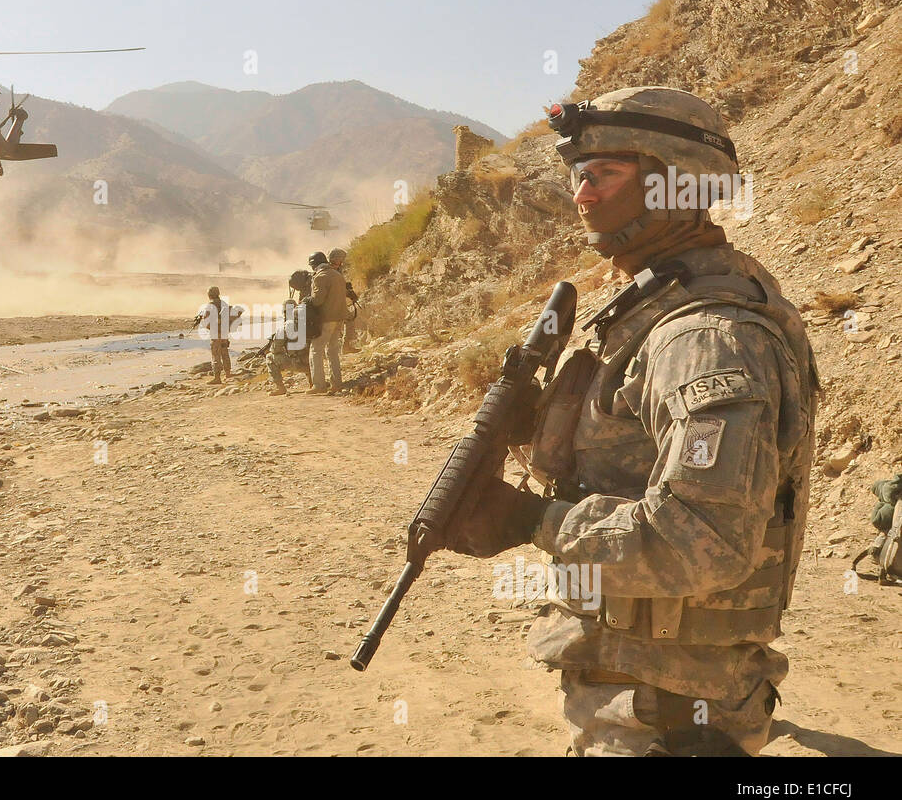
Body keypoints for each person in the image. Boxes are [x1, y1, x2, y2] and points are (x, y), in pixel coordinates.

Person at [434, 87, 817, 756]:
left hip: (667, 719)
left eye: (604, 174)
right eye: (579, 176)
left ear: (675, 183)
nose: (582, 196)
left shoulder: (706, 335)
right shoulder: (660, 308)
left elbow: (704, 539)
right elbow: (633, 459)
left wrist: (531, 522)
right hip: (639, 699)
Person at [305, 250, 348, 394]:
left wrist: (307, 300)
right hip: (340, 317)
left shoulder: (320, 277)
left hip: (327, 319)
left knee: (316, 350)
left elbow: (318, 301)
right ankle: (337, 383)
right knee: (333, 350)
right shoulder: (337, 275)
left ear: (314, 265)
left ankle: (319, 385)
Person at [263, 272, 311, 395]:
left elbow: (275, 349)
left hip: (297, 364)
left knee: (270, 358)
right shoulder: (307, 322)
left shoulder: (286, 326)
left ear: (285, 312)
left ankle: (280, 388)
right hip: (310, 364)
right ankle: (312, 383)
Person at [191, 286, 244, 384]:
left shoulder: (209, 306)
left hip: (215, 335)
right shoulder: (224, 304)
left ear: (209, 295)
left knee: (216, 355)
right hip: (224, 333)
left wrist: (208, 326)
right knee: (225, 353)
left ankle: (217, 378)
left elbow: (207, 323)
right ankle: (228, 374)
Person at [328, 247, 361, 353]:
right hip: (330, 304)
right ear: (335, 259)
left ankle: (345, 346)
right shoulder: (330, 271)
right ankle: (344, 347)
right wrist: (348, 293)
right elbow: (334, 288)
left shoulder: (335, 269)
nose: (342, 261)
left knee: (349, 318)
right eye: (341, 259)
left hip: (335, 302)